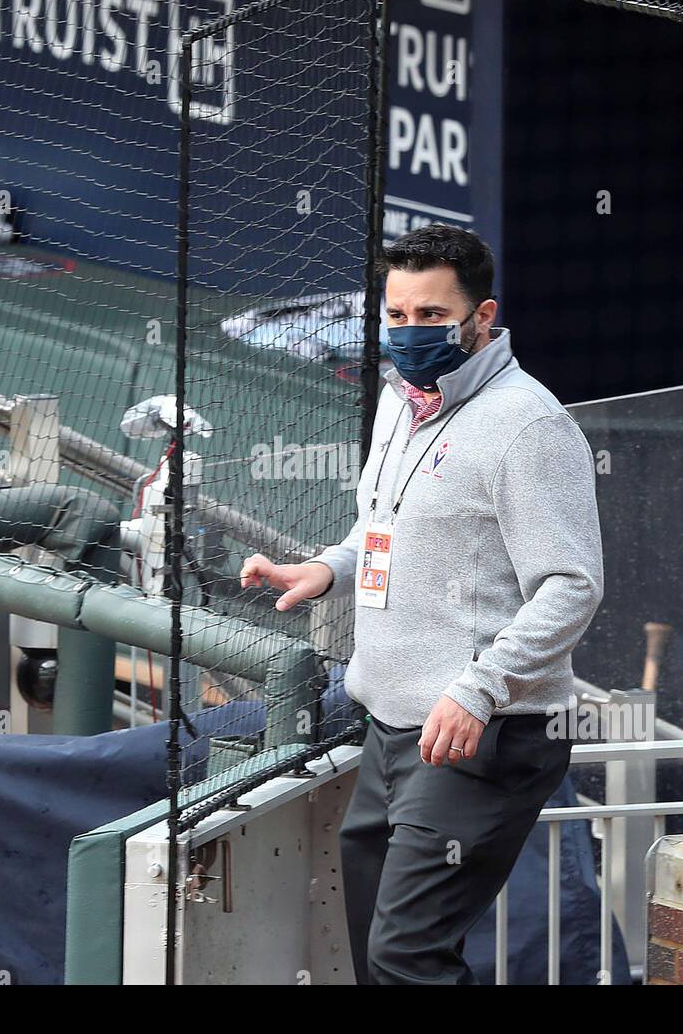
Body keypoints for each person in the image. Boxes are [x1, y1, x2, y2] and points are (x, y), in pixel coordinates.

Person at [240, 223, 603, 985]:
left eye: (431, 316)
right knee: (375, 949)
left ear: (481, 314)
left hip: (485, 733)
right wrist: (329, 568)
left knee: (407, 956)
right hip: (392, 726)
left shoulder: (529, 425)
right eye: (397, 316)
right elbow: (385, 522)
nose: (410, 332)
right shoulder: (399, 403)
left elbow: (572, 586)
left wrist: (477, 688)